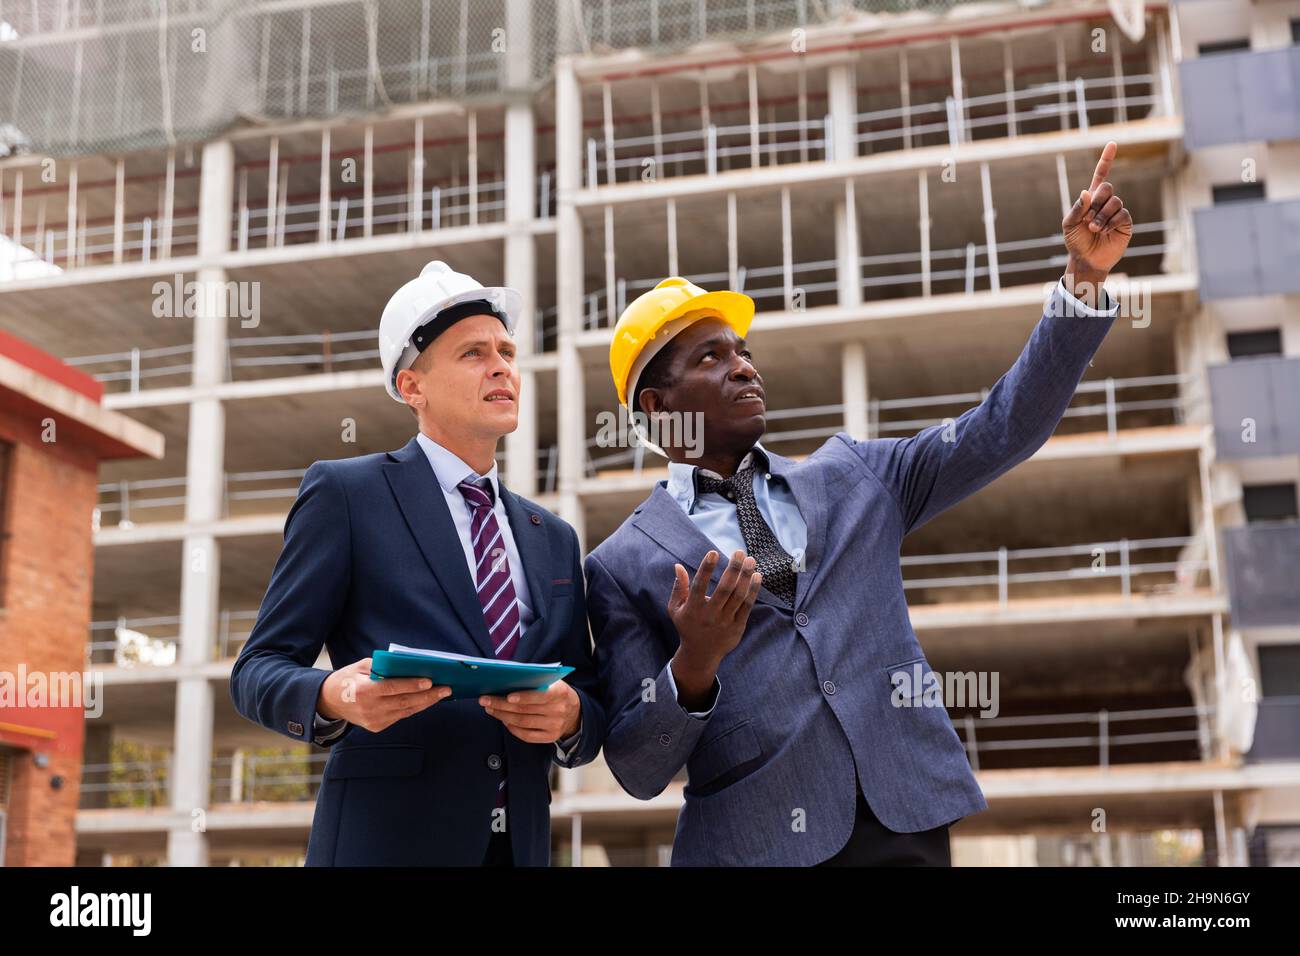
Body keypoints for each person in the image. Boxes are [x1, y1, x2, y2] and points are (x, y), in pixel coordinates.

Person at [585, 143, 1132, 865]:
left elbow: (1002, 427)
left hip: (904, 817)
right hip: (756, 846)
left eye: (742, 349)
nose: (743, 365)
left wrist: (1083, 281)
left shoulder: (854, 477)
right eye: (711, 358)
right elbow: (636, 764)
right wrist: (695, 661)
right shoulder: (620, 566)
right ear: (658, 408)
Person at [230, 261, 605, 866]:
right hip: (385, 845)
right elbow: (256, 670)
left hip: (520, 849)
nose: (502, 366)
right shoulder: (347, 496)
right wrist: (331, 694)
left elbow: (585, 696)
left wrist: (572, 717)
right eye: (473, 353)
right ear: (412, 387)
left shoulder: (553, 536)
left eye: (507, 350)